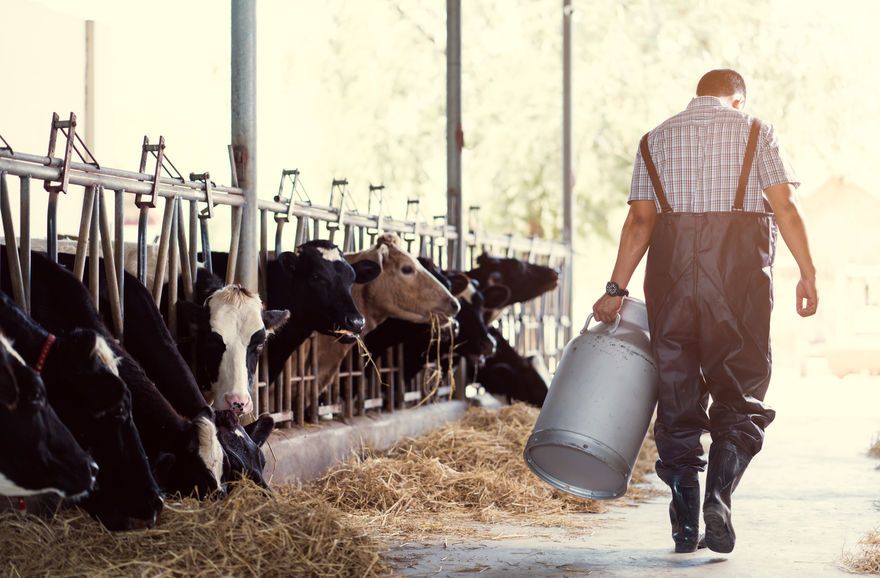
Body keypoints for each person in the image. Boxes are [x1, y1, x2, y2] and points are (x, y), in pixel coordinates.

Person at [592, 69, 818, 554]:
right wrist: (808, 272)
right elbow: (786, 208)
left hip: (670, 283)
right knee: (740, 392)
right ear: (738, 100)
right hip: (738, 285)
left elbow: (639, 221)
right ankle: (718, 495)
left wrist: (616, 288)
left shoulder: (655, 139)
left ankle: (683, 518)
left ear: (698, 96)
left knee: (677, 395)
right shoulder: (757, 130)